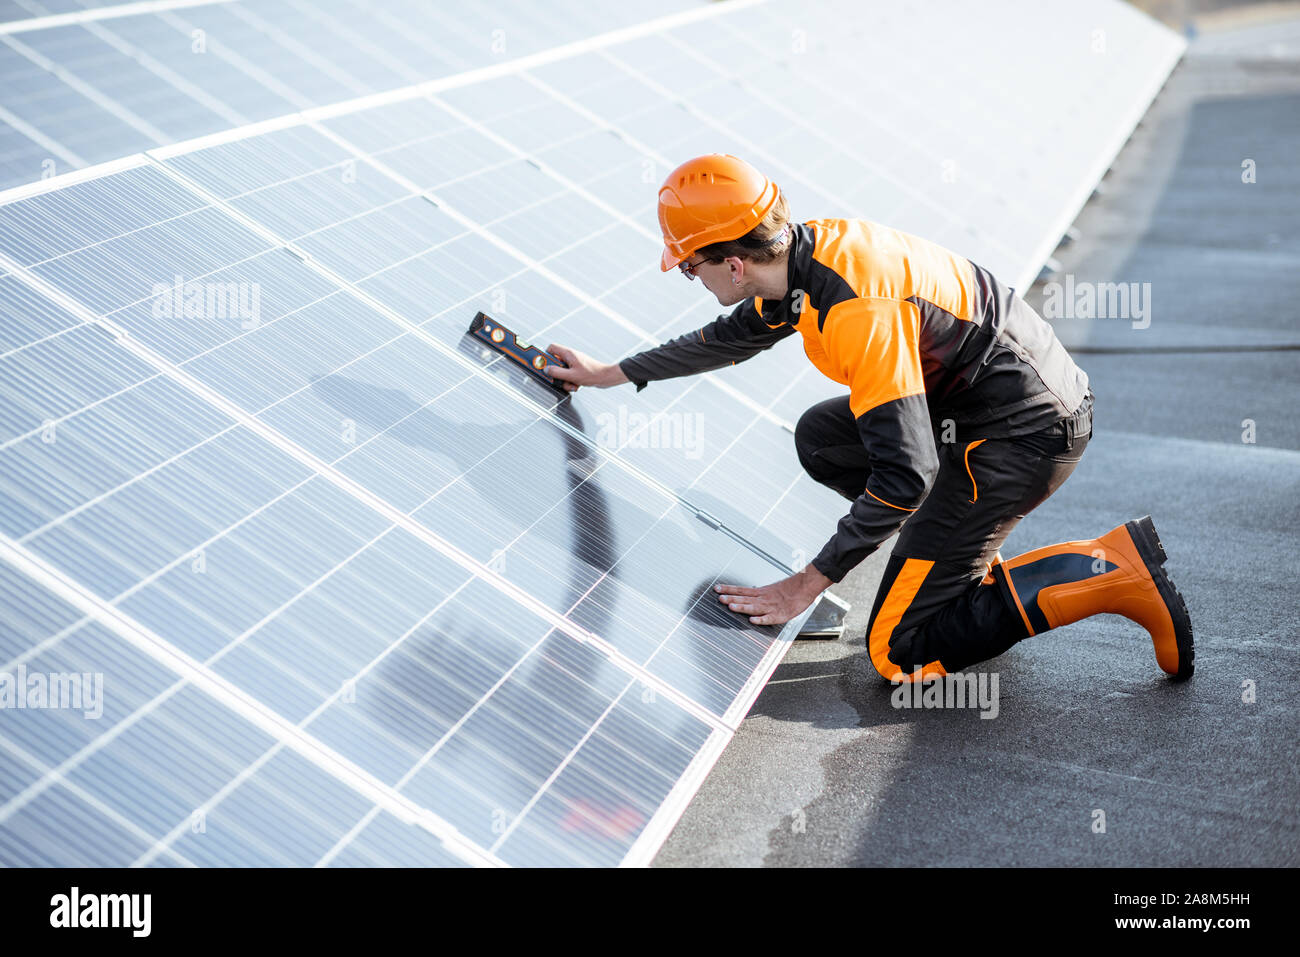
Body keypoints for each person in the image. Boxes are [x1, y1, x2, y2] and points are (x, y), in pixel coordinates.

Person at [546, 153, 1193, 683]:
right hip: (983, 412)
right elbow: (731, 336)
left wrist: (807, 583)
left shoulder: (857, 307)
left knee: (901, 650)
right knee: (823, 439)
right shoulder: (804, 261)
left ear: (733, 262)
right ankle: (958, 553)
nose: (688, 276)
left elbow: (906, 477)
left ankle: (1112, 571)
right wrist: (610, 373)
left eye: (690, 265)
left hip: (1026, 433)